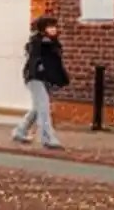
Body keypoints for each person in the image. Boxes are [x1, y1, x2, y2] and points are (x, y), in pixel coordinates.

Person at [12, 16, 69, 149]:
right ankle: (48, 138)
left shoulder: (54, 43)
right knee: (44, 107)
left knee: (38, 108)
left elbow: (56, 64)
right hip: (36, 78)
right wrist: (38, 68)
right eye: (50, 26)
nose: (54, 29)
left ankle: (20, 130)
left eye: (55, 26)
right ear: (43, 29)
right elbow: (34, 59)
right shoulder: (37, 42)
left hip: (45, 78)